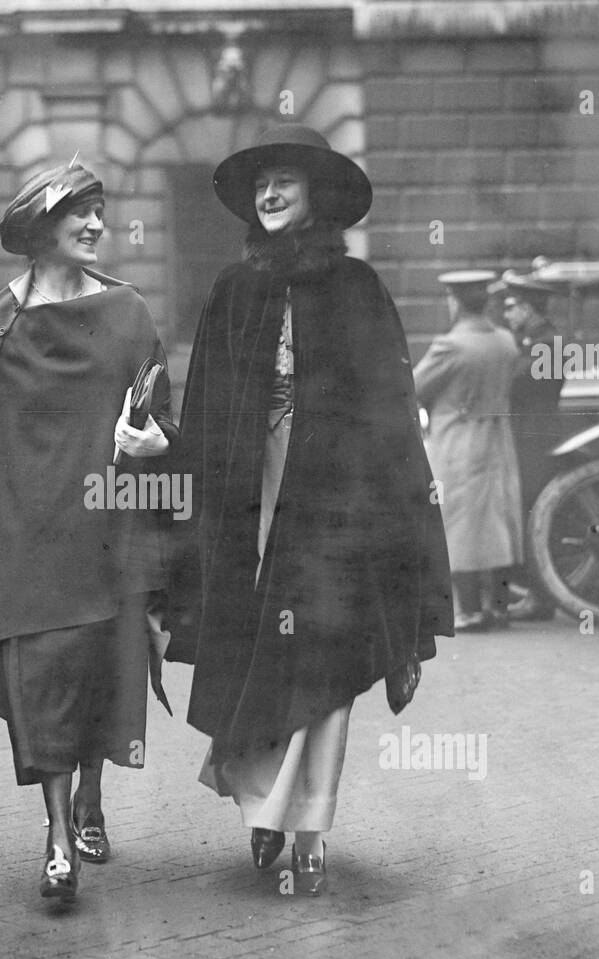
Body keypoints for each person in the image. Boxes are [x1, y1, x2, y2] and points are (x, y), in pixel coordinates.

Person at [168, 125, 452, 896]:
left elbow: (392, 416)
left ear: (315, 194)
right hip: (249, 495)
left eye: (284, 181)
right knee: (257, 643)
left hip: (336, 509)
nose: (268, 195)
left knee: (324, 660)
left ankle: (311, 828)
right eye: (260, 184)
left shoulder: (358, 290)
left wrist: (392, 526)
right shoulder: (234, 290)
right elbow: (205, 413)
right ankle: (264, 809)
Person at [0, 161, 176, 901]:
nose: (98, 224)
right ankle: (59, 833)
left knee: (98, 665)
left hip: (105, 526)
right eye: (81, 212)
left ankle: (91, 798)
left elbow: (161, 413)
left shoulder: (129, 313)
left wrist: (153, 442)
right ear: (42, 225)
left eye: (101, 210)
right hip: (25, 535)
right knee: (43, 676)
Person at [414, 270, 524, 632]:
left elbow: (414, 388)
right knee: (499, 520)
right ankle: (501, 608)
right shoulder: (506, 341)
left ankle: (470, 610)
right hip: (498, 438)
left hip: (458, 441)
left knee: (460, 523)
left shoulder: (451, 346)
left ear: (455, 301)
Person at [495, 265, 562, 621]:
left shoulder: (547, 345)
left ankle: (541, 599)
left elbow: (516, 385)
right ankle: (537, 595)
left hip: (534, 440)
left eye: (511, 306)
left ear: (528, 308)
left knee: (534, 514)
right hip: (529, 437)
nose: (507, 314)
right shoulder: (537, 342)